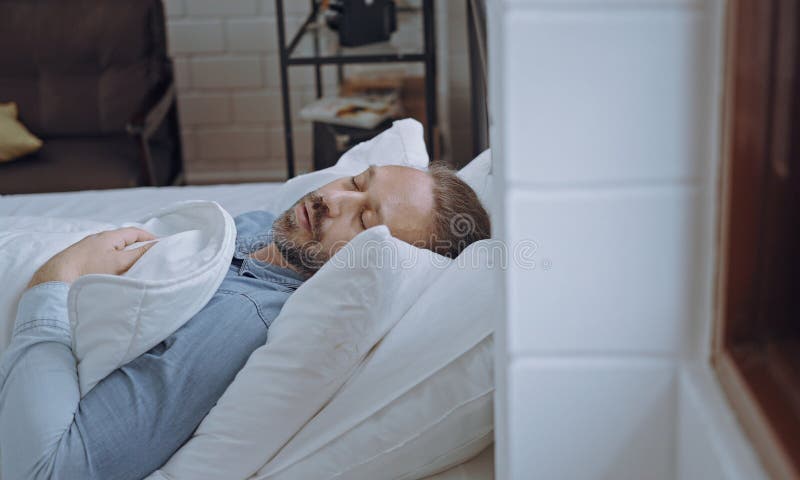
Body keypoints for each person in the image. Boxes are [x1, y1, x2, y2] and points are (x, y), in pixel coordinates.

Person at [0, 163, 491, 480]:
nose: (333, 199)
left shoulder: (237, 322)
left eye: (364, 221)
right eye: (357, 182)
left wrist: (53, 279)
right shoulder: (264, 228)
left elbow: (48, 469)